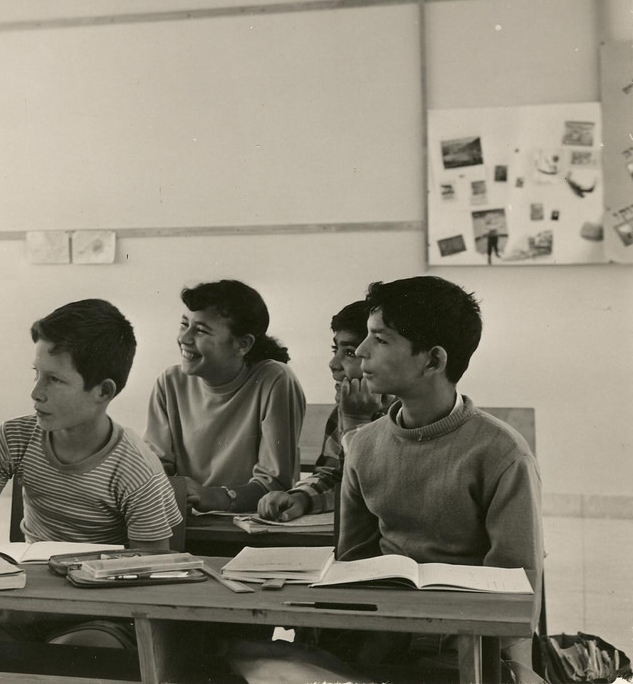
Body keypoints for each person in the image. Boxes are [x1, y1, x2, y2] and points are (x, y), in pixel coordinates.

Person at [0, 298, 182, 647]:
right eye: (36, 373)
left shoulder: (136, 469)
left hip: (99, 617)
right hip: (22, 608)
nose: (35, 393)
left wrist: (59, 596)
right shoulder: (15, 437)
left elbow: (150, 573)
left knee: (72, 654)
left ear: (103, 391)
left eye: (54, 380)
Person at [333, 276, 543, 674]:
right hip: (381, 643)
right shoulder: (362, 445)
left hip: (467, 652)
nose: (360, 351)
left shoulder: (502, 453)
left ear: (433, 360)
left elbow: (515, 588)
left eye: (380, 339)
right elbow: (352, 564)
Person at [144, 279, 306, 513]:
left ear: (243, 345)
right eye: (184, 324)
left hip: (250, 524)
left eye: (201, 330)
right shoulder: (169, 382)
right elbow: (155, 469)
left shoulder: (275, 380)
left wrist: (212, 497)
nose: (184, 338)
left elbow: (275, 484)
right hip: (189, 523)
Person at [256, 299, 390, 523]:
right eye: (336, 349)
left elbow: (377, 492)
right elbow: (333, 475)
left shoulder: (405, 416)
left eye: (350, 353)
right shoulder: (343, 412)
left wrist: (357, 421)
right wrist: (301, 498)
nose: (333, 363)